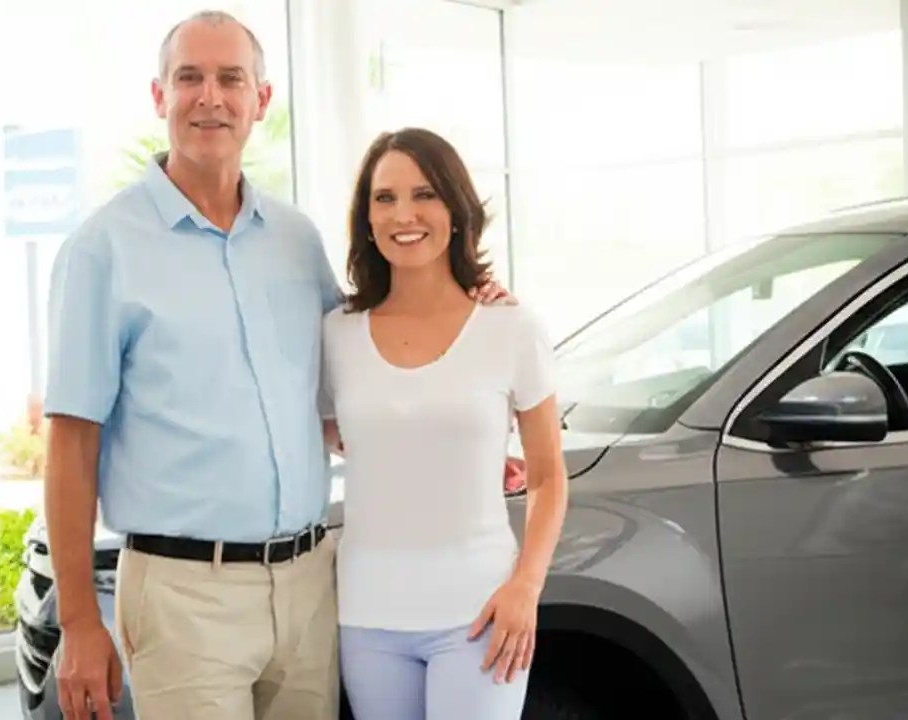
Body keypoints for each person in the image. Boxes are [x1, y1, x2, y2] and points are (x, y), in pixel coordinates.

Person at [41, 11, 509, 720]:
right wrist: (79, 620)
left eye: (231, 78)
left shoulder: (295, 240)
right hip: (183, 596)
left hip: (309, 586)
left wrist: (468, 321)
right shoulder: (102, 250)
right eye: (189, 77)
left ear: (260, 99)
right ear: (158, 95)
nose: (210, 97)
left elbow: (355, 383)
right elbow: (71, 443)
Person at [320, 127, 569, 720]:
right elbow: (340, 436)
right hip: (367, 615)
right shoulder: (336, 334)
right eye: (385, 198)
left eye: (424, 194)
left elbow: (548, 478)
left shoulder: (512, 329)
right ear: (367, 219)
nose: (404, 214)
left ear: (456, 210)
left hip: (480, 613)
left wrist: (526, 588)